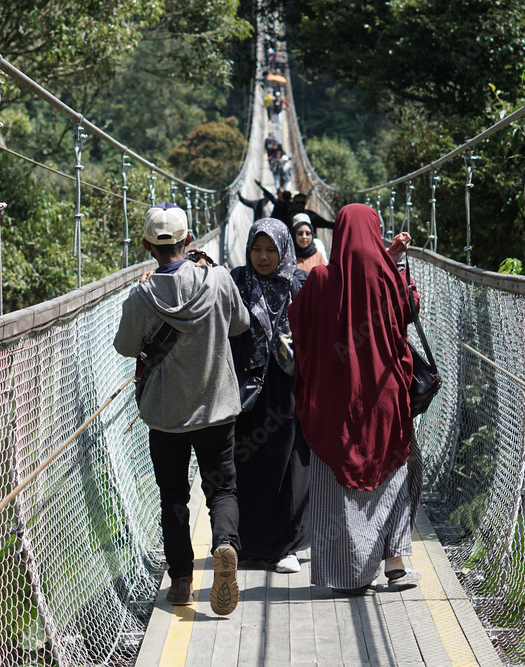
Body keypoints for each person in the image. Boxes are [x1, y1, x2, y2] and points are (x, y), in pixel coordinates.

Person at [113, 202, 248, 615]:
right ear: (189, 242)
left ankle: (180, 582)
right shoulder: (219, 279)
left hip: (166, 416)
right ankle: (225, 544)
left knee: (172, 496)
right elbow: (241, 324)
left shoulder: (141, 295)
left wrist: (141, 300)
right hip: (216, 409)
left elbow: (123, 347)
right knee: (221, 489)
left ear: (146, 246)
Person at [288, 203, 422, 595]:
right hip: (385, 400)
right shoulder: (389, 278)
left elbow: (298, 324)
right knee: (393, 475)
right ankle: (395, 566)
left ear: (338, 235)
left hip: (335, 407)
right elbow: (409, 309)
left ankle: (348, 575)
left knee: (336, 488)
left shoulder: (318, 280)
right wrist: (393, 262)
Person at [229, 219, 310, 573]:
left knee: (287, 460)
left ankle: (286, 546)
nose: (263, 257)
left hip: (287, 383)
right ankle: (249, 545)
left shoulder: (300, 283)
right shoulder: (237, 280)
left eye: (271, 250)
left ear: (284, 251)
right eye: (256, 249)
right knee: (247, 461)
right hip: (245, 385)